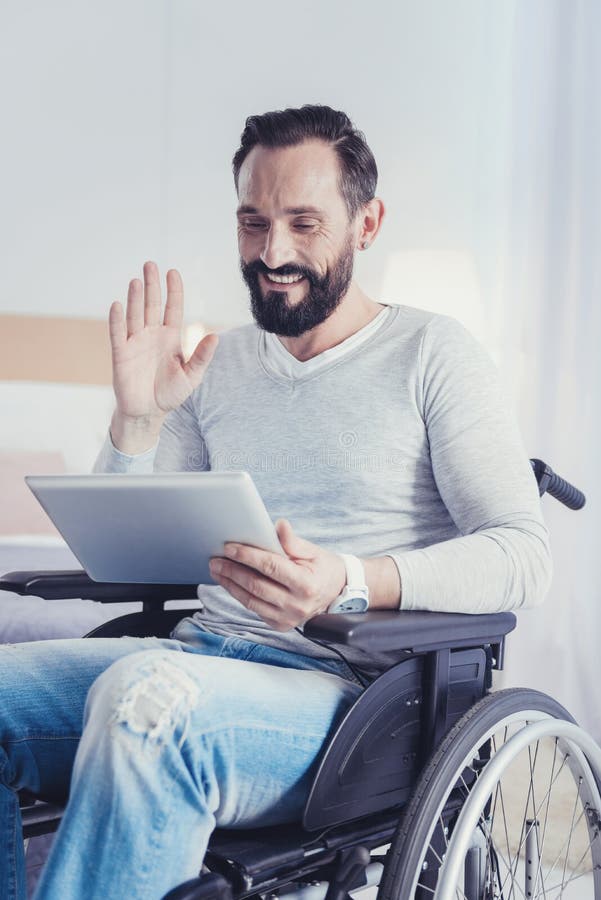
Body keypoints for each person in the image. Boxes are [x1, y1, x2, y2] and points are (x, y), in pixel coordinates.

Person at [0, 105, 551, 900]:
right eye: (253, 222)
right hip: (198, 658)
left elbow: (523, 554)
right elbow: (122, 554)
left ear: (367, 223)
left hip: (347, 698)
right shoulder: (215, 364)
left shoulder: (434, 354)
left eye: (303, 222)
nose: (272, 252)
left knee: (142, 700)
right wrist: (138, 418)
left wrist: (347, 580)